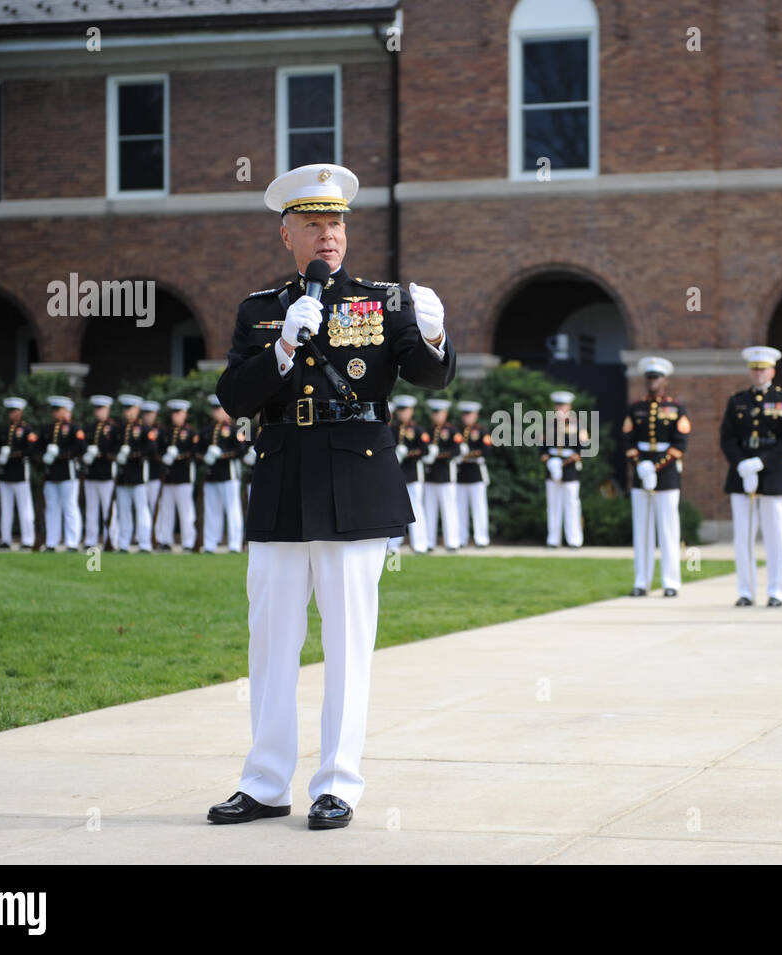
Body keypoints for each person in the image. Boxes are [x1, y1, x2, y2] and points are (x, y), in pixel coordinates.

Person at [207, 162, 455, 830]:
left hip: (355, 478)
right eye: (314, 224)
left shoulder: (381, 301)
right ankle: (263, 781)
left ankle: (338, 782)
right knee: (271, 640)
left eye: (337, 222)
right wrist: (282, 349)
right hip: (284, 478)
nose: (329, 236)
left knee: (348, 641)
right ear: (287, 234)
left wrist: (434, 334)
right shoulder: (261, 310)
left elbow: (430, 375)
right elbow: (233, 398)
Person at [719, 346, 782, 607]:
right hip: (741, 477)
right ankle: (746, 590)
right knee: (743, 537)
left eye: (763, 368)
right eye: (754, 369)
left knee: (776, 538)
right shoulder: (737, 400)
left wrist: (760, 462)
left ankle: (777, 591)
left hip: (774, 477)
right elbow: (728, 438)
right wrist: (742, 463)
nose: (758, 373)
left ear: (772, 371)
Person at [622, 356, 690, 597]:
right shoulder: (636, 407)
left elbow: (680, 444)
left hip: (667, 475)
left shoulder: (676, 408)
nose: (652, 381)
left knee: (668, 530)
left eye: (656, 377)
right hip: (641, 474)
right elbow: (628, 440)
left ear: (665, 380)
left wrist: (655, 466)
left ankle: (671, 581)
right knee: (641, 530)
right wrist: (640, 465)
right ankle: (642, 581)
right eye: (649, 377)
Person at [202, 394, 247, 553]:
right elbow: (198, 451)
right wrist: (205, 456)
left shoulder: (236, 428)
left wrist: (221, 454)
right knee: (211, 510)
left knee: (233, 509)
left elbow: (241, 450)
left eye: (219, 409)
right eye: (214, 409)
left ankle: (235, 544)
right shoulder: (207, 429)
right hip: (211, 475)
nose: (216, 413)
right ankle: (210, 544)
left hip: (229, 475)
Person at [40, 396, 85, 551]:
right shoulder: (47, 428)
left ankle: (72, 542)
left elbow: (80, 448)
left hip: (68, 473)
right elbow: (38, 447)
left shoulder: (73, 428)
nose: (55, 413)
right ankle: (51, 542)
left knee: (70, 507)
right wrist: (44, 456)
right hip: (51, 474)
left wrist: (62, 454)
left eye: (58, 410)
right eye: (54, 410)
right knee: (52, 507)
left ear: (66, 411)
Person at [542, 390, 585, 549]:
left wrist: (568, 460)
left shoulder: (577, 424)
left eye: (563, 405)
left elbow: (582, 448)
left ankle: (574, 539)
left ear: (569, 406)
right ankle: (553, 539)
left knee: (572, 504)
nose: (560, 408)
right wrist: (547, 459)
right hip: (552, 466)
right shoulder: (549, 424)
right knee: (553, 504)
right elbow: (543, 447)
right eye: (558, 405)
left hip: (570, 468)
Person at [112, 394, 155, 552]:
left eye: (130, 409)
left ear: (137, 410)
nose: (127, 413)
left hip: (138, 476)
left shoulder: (144, 429)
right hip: (123, 476)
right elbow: (111, 447)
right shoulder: (119, 429)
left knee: (142, 510)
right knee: (123, 512)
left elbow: (151, 449)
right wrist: (118, 454)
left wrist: (132, 453)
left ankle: (145, 544)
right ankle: (123, 544)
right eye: (125, 409)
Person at [155, 398, 199, 552]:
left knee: (186, 511)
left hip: (184, 477)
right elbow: (157, 451)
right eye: (174, 413)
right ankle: (165, 540)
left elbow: (194, 452)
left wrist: (179, 456)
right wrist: (163, 458)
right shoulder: (165, 432)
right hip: (168, 478)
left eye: (178, 413)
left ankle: (188, 542)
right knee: (166, 511)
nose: (175, 416)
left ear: (185, 414)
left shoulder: (191, 432)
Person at [388, 394, 430, 554]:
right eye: (400, 410)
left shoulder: (418, 429)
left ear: (411, 411)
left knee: (416, 508)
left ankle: (420, 543)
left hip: (413, 474)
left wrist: (408, 453)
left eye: (405, 410)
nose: (402, 413)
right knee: (395, 508)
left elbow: (424, 450)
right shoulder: (392, 429)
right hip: (397, 475)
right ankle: (393, 543)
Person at [0, 396, 38, 550]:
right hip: (5, 474)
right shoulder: (4, 430)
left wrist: (14, 454)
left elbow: (31, 449)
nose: (12, 414)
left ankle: (28, 539)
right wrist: (0, 456)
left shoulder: (27, 429)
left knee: (25, 508)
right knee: (6, 508)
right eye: (10, 411)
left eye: (14, 411)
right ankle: (5, 539)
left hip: (20, 473)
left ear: (20, 411)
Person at [422, 397, 460, 551]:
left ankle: (452, 542)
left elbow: (456, 451)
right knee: (429, 510)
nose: (436, 416)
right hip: (430, 476)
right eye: (434, 413)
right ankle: (429, 542)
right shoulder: (428, 431)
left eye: (439, 413)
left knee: (449, 510)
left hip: (445, 476)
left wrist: (439, 454)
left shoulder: (452, 430)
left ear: (445, 413)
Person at [82, 395, 120, 548]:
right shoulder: (89, 428)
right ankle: (90, 540)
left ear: (107, 410)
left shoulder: (113, 428)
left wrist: (104, 454)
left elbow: (115, 449)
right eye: (96, 409)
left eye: (101, 409)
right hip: (91, 474)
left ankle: (111, 539)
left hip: (107, 474)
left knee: (109, 509)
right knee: (91, 509)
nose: (98, 412)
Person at [454, 400, 492, 548]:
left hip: (476, 473)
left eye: (469, 415)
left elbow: (486, 450)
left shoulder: (482, 431)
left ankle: (481, 539)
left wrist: (467, 454)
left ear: (475, 415)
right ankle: (462, 538)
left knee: (479, 508)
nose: (466, 418)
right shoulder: (457, 430)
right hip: (460, 474)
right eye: (464, 415)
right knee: (460, 509)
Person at [140, 399, 164, 537]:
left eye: (150, 413)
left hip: (155, 473)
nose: (147, 416)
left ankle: (157, 536)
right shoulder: (140, 429)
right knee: (142, 506)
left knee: (156, 506)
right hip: (140, 475)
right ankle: (141, 536)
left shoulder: (160, 430)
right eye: (145, 413)